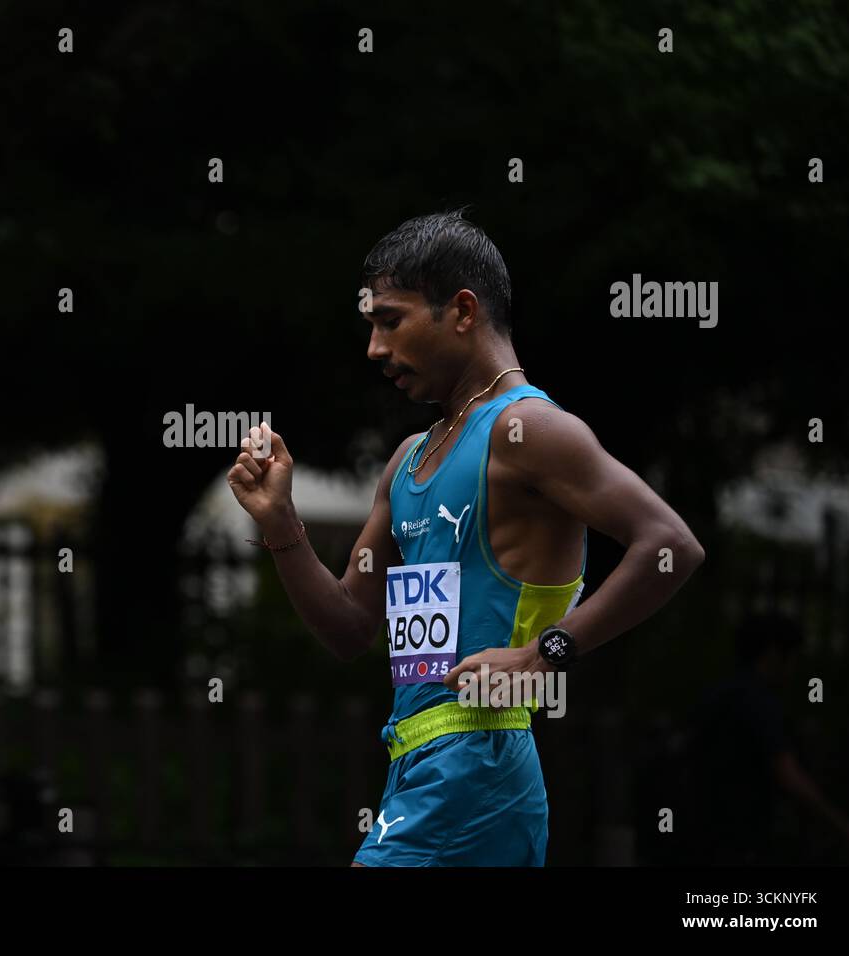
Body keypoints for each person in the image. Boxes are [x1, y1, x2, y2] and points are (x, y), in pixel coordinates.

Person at [226, 209, 706, 866]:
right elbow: (348, 628)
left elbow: (670, 543)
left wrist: (546, 653)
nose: (373, 349)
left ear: (461, 310)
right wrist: (280, 523)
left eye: (389, 321)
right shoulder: (409, 461)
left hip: (477, 767)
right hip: (418, 766)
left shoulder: (528, 430)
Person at [679, 611, 849, 864]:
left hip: (701, 836)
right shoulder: (760, 703)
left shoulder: (718, 696)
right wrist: (844, 828)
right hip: (739, 841)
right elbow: (789, 775)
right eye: (792, 658)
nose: (793, 669)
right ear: (774, 654)